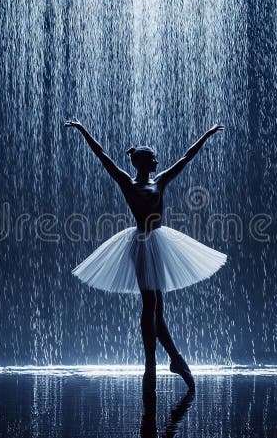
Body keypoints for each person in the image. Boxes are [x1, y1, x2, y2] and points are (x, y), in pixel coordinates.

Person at [64, 119, 228, 391]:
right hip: (140, 244)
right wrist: (83, 130)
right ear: (141, 162)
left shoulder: (160, 180)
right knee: (150, 303)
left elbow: (186, 158)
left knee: (157, 309)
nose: (157, 161)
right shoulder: (127, 183)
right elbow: (102, 155)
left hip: (159, 243)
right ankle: (151, 359)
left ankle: (174, 359)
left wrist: (207, 135)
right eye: (153, 158)